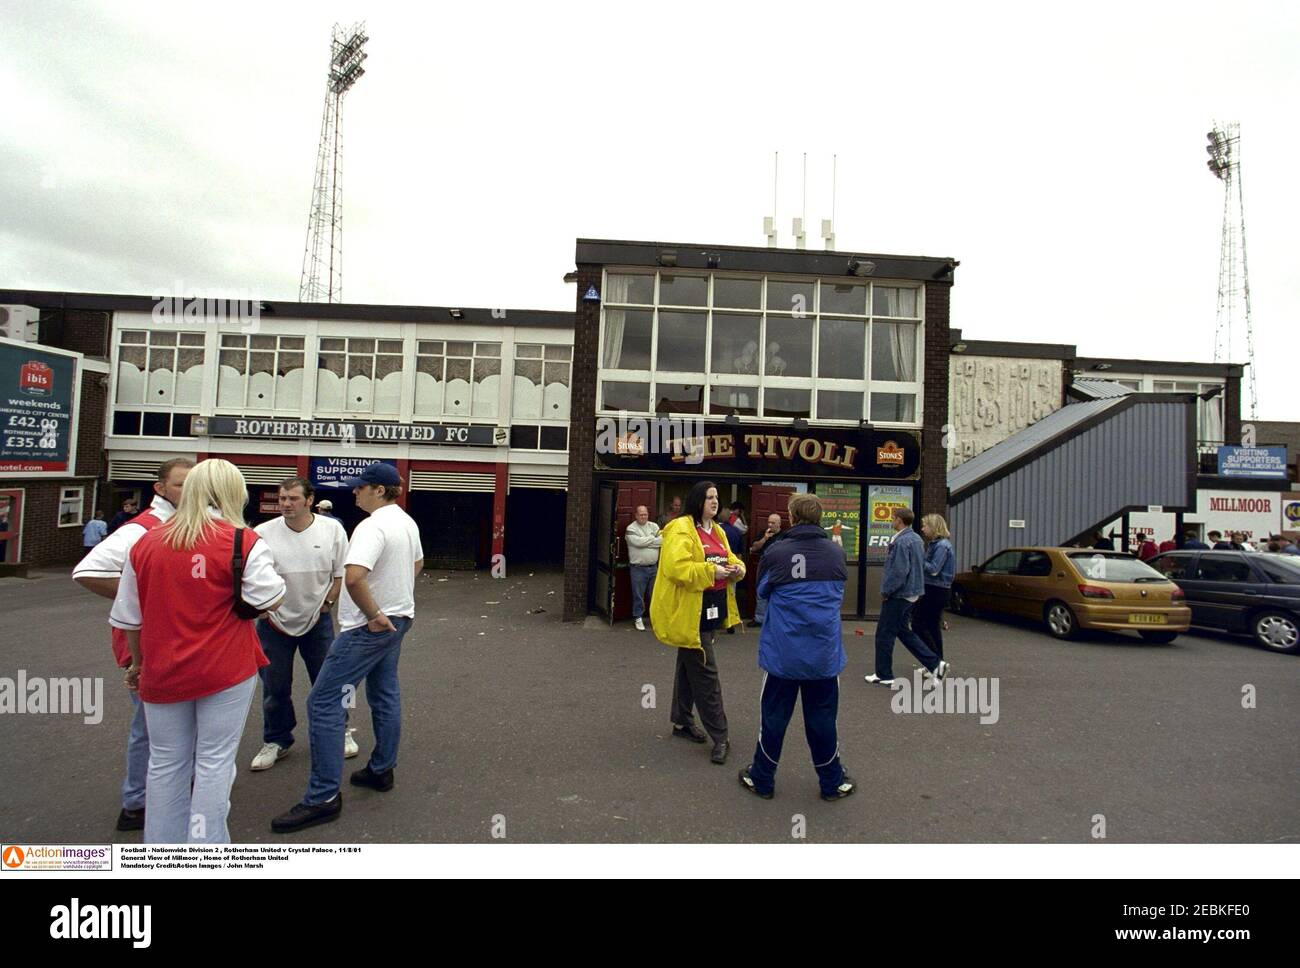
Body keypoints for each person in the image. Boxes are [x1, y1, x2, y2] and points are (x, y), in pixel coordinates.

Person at [109, 459, 286, 844]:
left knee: (165, 763)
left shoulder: (144, 543)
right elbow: (270, 597)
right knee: (213, 761)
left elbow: (128, 618)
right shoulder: (242, 541)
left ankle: (161, 849)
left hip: (162, 669)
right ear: (233, 493)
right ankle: (206, 849)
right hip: (225, 668)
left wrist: (138, 665)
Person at [272, 462, 423, 833]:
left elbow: (353, 577)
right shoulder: (405, 521)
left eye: (361, 487)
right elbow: (417, 563)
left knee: (323, 702)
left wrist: (372, 612)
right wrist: (391, 598)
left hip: (368, 628)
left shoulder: (371, 527)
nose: (354, 492)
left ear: (380, 490)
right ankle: (381, 769)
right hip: (399, 618)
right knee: (384, 692)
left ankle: (322, 797)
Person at [73, 457, 193, 831]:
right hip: (146, 644)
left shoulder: (184, 524)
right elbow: (87, 571)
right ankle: (137, 803)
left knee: (177, 726)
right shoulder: (141, 529)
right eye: (180, 484)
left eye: (194, 483)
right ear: (160, 489)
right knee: (150, 726)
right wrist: (147, 599)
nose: (188, 491)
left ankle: (167, 791)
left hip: (179, 643)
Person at [739, 493, 855, 802]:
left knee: (774, 719)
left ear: (792, 517)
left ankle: (762, 779)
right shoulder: (835, 553)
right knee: (823, 720)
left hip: (784, 654)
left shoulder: (777, 553)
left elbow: (762, 590)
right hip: (822, 655)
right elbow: (839, 592)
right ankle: (832, 783)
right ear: (820, 518)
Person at [250, 477, 353, 771]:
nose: (285, 504)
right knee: (274, 685)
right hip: (274, 624)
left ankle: (341, 730)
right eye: (282, 498)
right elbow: (254, 576)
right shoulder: (262, 533)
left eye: (293, 498)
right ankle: (277, 740)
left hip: (317, 622)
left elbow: (340, 574)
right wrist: (263, 609)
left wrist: (328, 604)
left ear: (310, 500)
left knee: (329, 681)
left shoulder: (332, 529)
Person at [649, 480, 745, 766]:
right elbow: (676, 569)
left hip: (710, 610)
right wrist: (711, 570)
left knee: (687, 664)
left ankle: (681, 722)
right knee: (706, 672)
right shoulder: (681, 529)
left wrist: (736, 568)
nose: (715, 502)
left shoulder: (716, 530)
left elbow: (727, 559)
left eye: (717, 497)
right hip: (687, 612)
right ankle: (721, 736)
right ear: (697, 500)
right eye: (709, 497)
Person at [865, 508, 949, 686]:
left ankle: (884, 674)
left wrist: (886, 591)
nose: (891, 522)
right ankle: (935, 664)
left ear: (899, 520)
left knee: (884, 634)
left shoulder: (901, 542)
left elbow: (899, 571)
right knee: (903, 631)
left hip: (899, 593)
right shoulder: (916, 539)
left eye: (893, 519)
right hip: (913, 592)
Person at [915, 514, 955, 661]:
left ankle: (934, 660)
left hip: (936, 589)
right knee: (931, 625)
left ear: (933, 527)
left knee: (919, 623)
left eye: (925, 526)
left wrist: (918, 558)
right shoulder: (936, 545)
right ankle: (937, 661)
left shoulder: (942, 546)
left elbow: (933, 569)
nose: (923, 529)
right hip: (935, 588)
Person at [625, 505, 661, 631]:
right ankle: (638, 618)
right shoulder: (631, 528)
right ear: (636, 515)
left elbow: (663, 540)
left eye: (645, 514)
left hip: (654, 568)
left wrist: (646, 542)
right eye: (641, 514)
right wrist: (653, 540)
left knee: (655, 595)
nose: (643, 517)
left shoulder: (654, 526)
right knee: (638, 595)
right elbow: (637, 543)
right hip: (638, 568)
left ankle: (655, 619)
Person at [746, 513, 783, 628]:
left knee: (778, 592)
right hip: (764, 565)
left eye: (773, 523)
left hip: (779, 566)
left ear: (779, 524)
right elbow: (753, 548)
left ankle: (775, 619)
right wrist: (765, 538)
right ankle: (759, 618)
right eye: (769, 522)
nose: (770, 525)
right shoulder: (763, 533)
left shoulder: (784, 535)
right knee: (761, 591)